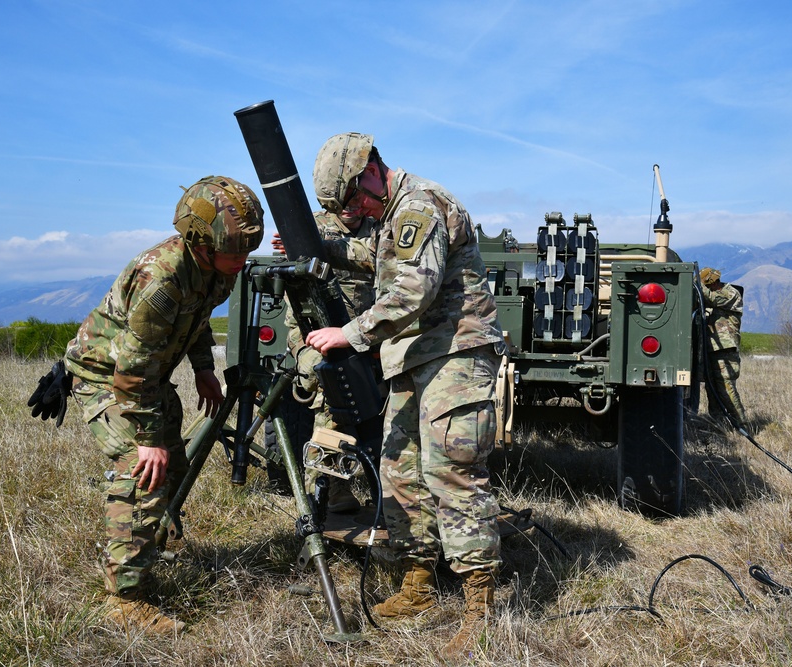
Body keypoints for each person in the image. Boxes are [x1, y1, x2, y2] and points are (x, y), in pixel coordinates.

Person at [294, 132, 506, 655]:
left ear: (370, 169)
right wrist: (316, 244)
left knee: (453, 472)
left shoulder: (419, 205)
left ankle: (480, 607)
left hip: (455, 352)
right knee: (400, 470)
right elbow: (373, 256)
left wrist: (350, 334)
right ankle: (419, 585)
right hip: (415, 359)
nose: (353, 211)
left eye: (351, 199)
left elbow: (412, 290)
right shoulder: (392, 215)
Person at [64, 175, 264, 634]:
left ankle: (144, 546)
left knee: (172, 465)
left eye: (245, 249)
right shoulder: (163, 276)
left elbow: (195, 321)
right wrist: (148, 440)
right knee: (142, 470)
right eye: (235, 250)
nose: (243, 259)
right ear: (200, 241)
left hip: (146, 374)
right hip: (107, 376)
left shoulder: (219, 270)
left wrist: (202, 368)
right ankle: (125, 599)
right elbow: (129, 369)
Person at [283, 209, 377, 514]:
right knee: (332, 381)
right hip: (315, 334)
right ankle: (328, 484)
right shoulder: (312, 226)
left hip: (367, 336)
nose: (347, 207)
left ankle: (385, 484)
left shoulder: (380, 227)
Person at [699, 266, 747, 427]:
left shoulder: (731, 293)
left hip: (725, 349)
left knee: (726, 389)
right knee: (712, 390)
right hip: (711, 349)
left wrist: (696, 285)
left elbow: (713, 299)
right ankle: (718, 424)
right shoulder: (710, 295)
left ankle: (741, 425)